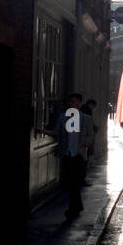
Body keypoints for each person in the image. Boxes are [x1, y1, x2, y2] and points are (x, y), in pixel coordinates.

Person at [50, 92, 94, 220]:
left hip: (79, 155)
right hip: (67, 154)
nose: (73, 104)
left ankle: (72, 209)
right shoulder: (63, 117)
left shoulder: (86, 118)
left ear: (80, 103)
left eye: (75, 102)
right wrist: (40, 131)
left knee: (75, 182)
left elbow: (90, 136)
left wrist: (84, 146)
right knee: (71, 183)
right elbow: (56, 132)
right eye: (71, 102)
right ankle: (77, 207)